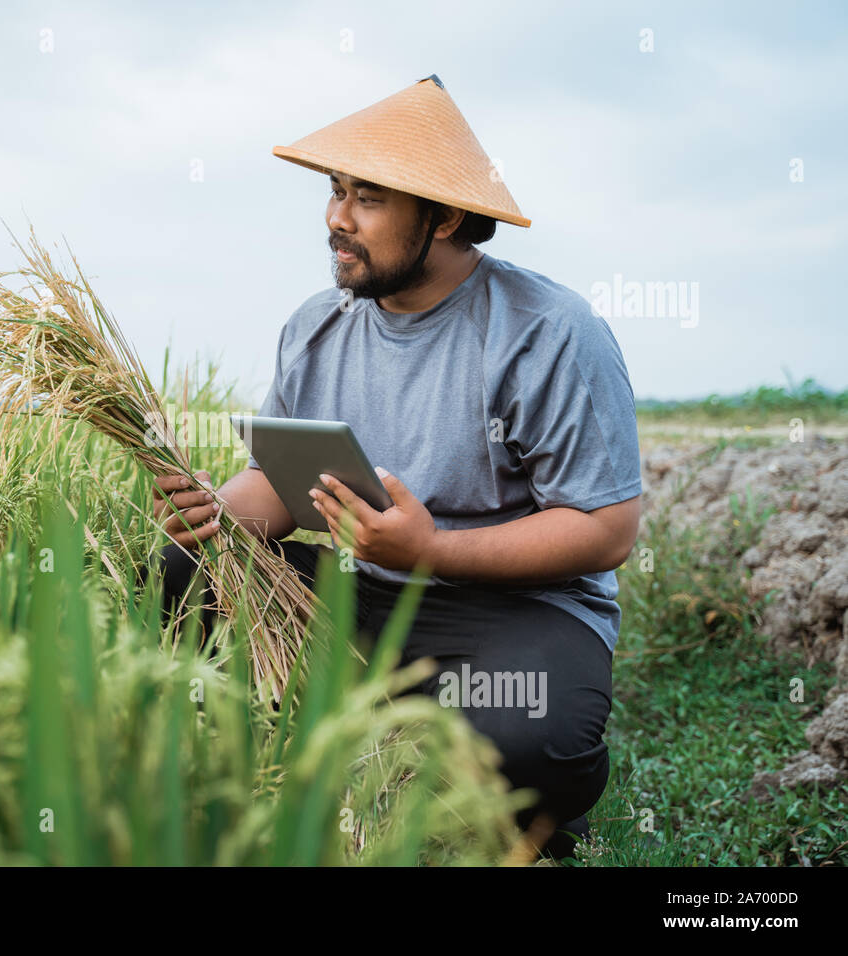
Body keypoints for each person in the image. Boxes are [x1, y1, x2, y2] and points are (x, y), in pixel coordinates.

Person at [148, 75, 643, 862]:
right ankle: (330, 739)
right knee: (186, 565)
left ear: (444, 217)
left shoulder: (548, 330)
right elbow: (282, 483)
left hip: (513, 610)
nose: (336, 219)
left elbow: (607, 529)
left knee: (533, 740)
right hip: (369, 592)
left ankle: (505, 792)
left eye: (367, 198)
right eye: (336, 192)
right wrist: (216, 510)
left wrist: (433, 551)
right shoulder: (316, 325)